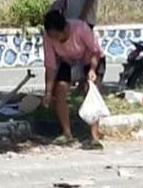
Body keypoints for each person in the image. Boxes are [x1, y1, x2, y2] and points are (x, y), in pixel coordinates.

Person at [42, 9, 105, 150]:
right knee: (60, 90)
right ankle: (67, 132)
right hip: (68, 61)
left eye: (57, 35)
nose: (55, 39)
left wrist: (92, 70)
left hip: (90, 59)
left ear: (64, 28)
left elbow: (96, 51)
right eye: (51, 36)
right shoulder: (48, 38)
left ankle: (94, 136)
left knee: (89, 90)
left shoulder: (80, 28)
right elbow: (50, 66)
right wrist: (48, 92)